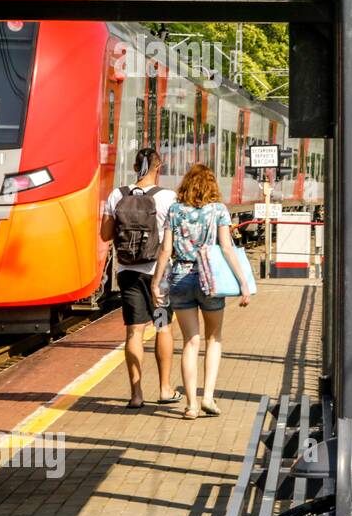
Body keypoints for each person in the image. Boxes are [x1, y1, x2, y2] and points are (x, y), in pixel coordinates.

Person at [151, 164, 251, 421]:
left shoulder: (175, 210)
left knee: (190, 342)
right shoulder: (218, 210)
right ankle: (208, 397)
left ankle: (191, 405)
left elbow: (165, 250)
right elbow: (227, 249)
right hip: (211, 281)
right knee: (213, 339)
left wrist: (156, 282)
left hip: (181, 278)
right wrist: (243, 283)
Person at [100, 147, 177, 409]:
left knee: (134, 331)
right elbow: (174, 237)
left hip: (127, 272)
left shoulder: (116, 195)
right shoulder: (168, 197)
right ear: (159, 167)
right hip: (160, 273)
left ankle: (136, 394)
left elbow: (105, 235)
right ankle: (165, 389)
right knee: (163, 327)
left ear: (135, 168)